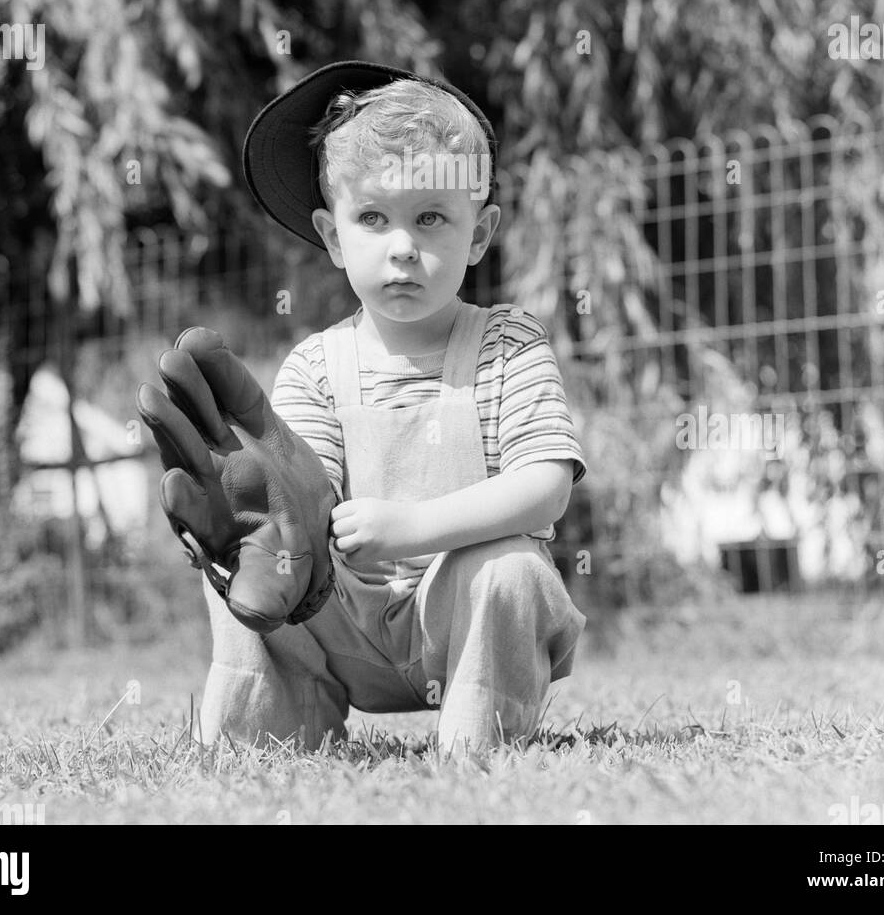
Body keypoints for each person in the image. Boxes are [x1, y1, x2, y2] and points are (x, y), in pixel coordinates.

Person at [139, 60, 587, 755]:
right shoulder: (316, 367)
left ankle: (479, 742)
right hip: (342, 617)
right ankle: (263, 736)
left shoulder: (509, 346)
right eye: (373, 217)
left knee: (510, 568)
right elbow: (301, 499)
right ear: (331, 233)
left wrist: (411, 526)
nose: (403, 247)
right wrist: (254, 518)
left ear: (479, 232)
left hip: (462, 618)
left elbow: (546, 490)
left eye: (431, 218)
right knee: (253, 569)